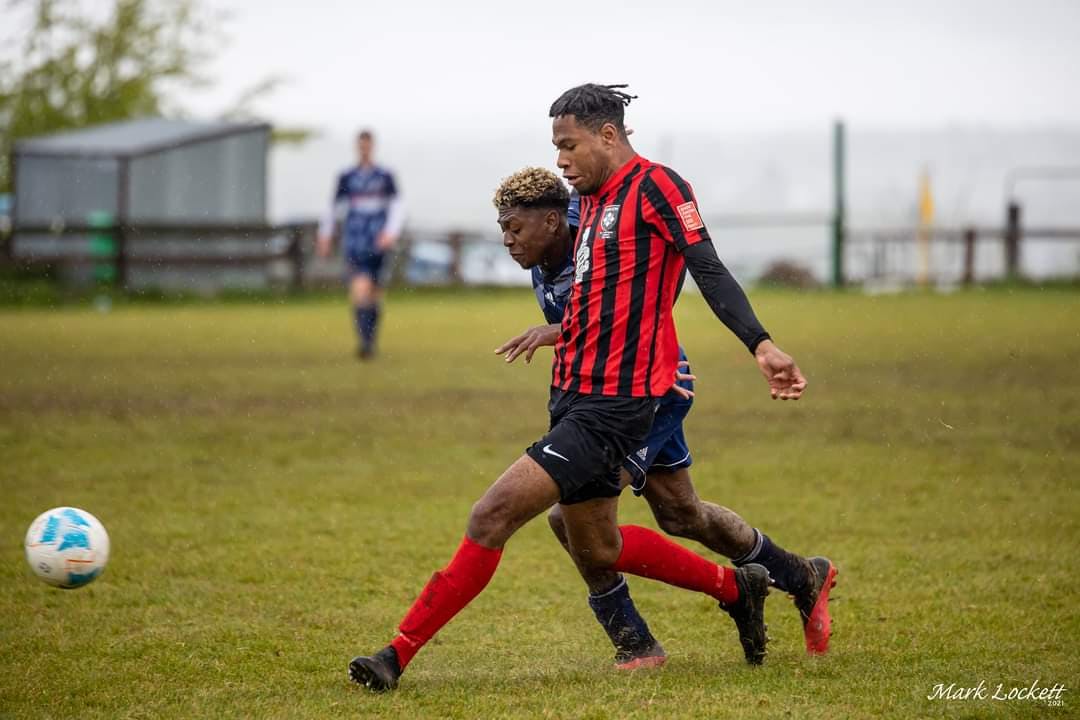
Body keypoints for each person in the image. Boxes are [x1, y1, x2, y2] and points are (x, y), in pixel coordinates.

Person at [347, 83, 806, 693]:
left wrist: (760, 344)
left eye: (567, 146)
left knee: (493, 515)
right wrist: (559, 331)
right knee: (615, 532)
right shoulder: (588, 204)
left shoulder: (654, 188)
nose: (560, 161)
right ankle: (740, 586)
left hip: (618, 404)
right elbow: (611, 293)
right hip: (575, 393)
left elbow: (702, 268)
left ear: (607, 135)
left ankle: (395, 654)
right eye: (555, 148)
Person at [493, 169, 837, 670]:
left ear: (550, 221)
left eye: (515, 228)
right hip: (617, 389)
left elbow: (651, 272)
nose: (508, 239)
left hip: (649, 390)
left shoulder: (593, 232)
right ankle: (802, 575)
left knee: (573, 518)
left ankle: (636, 642)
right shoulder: (548, 236)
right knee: (681, 514)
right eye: (503, 227)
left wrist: (602, 342)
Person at [317, 129, 405, 359]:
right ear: (357, 147)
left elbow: (397, 205)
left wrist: (390, 233)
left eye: (367, 145)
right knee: (360, 289)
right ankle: (365, 341)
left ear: (372, 146)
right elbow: (333, 207)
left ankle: (370, 339)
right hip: (356, 240)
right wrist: (325, 234)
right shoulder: (347, 176)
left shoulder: (384, 175)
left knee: (374, 293)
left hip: (378, 240)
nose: (364, 149)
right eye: (361, 145)